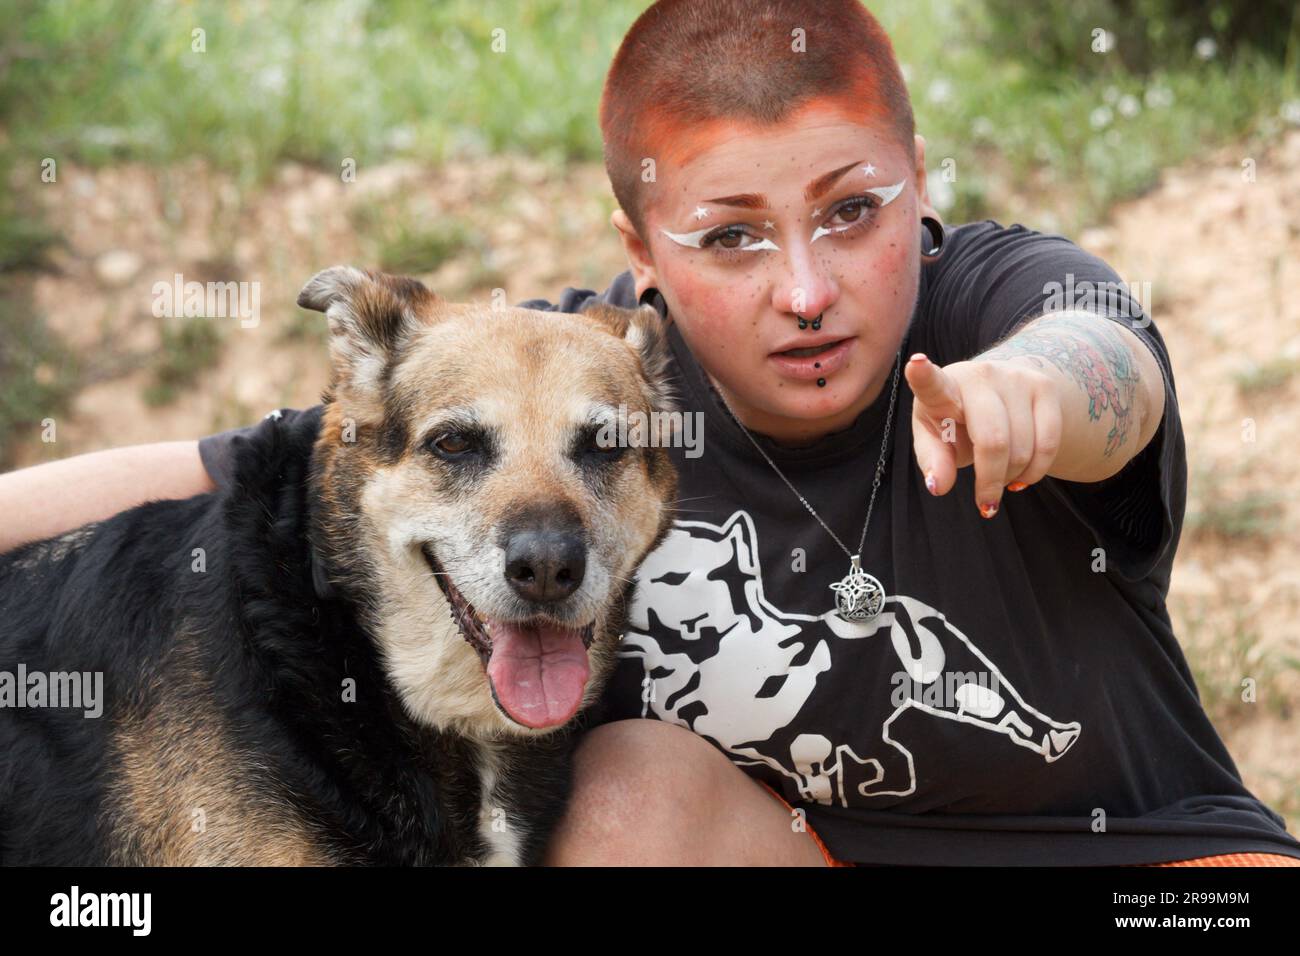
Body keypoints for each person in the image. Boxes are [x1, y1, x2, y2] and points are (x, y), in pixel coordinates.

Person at [3, 0, 1297, 867]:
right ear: (644, 255)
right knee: (613, 790)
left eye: (853, 211)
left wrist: (1029, 398)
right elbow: (236, 470)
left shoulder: (994, 298)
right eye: (732, 236)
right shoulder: (591, 382)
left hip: (1156, 872)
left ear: (919, 183)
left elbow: (1102, 358)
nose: (803, 287)